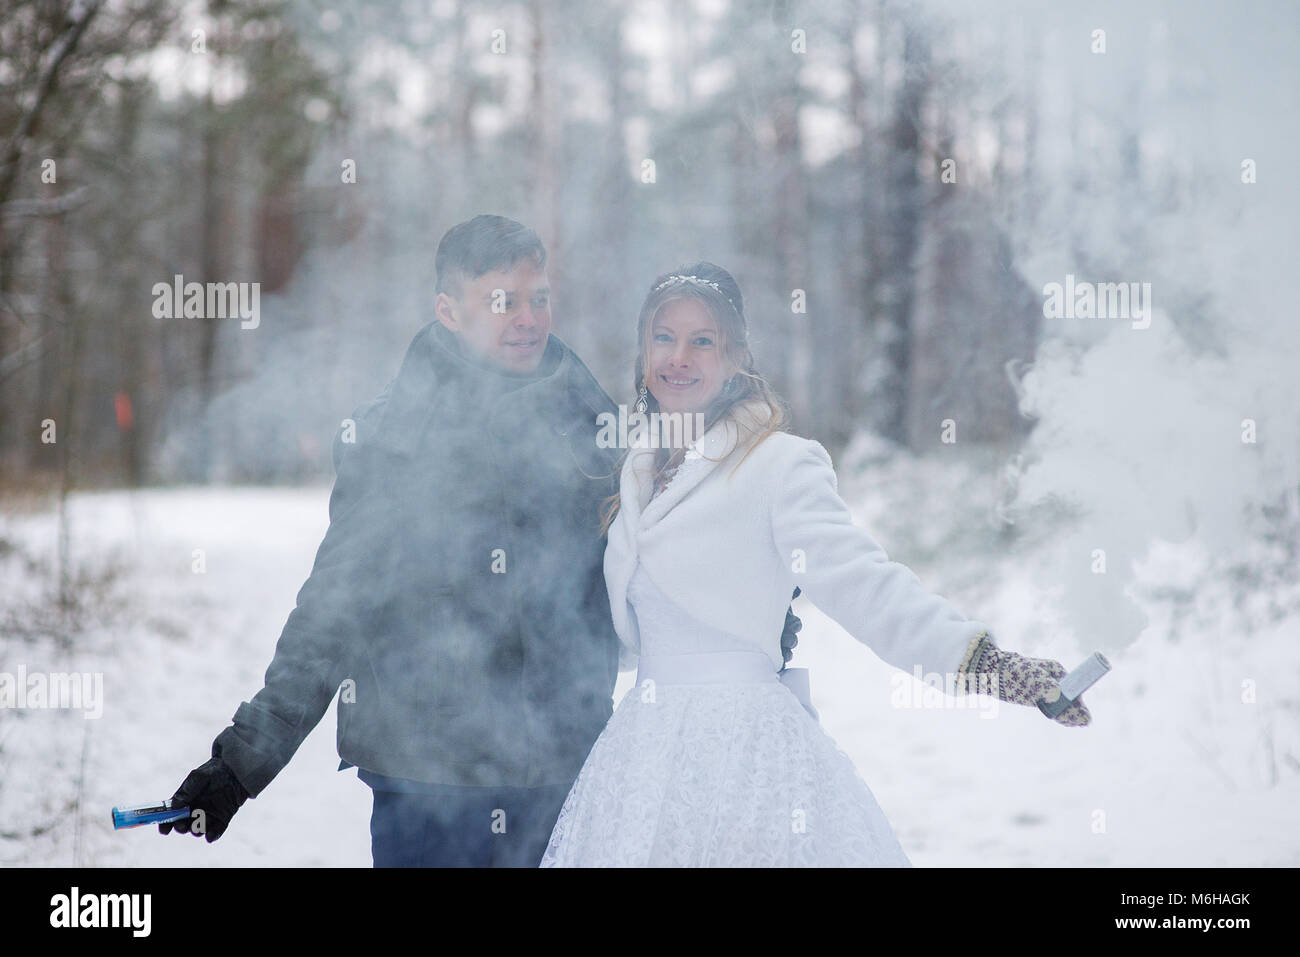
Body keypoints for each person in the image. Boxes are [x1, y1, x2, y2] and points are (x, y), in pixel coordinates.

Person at [540, 262, 1091, 867]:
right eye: (664, 337)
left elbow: (863, 583)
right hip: (641, 760)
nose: (680, 357)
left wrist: (985, 665)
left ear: (737, 359)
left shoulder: (778, 465)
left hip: (745, 755)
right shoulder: (633, 472)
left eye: (704, 341)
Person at [162, 216, 623, 865]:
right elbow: (332, 610)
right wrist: (240, 764)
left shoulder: (595, 432)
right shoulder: (393, 441)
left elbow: (644, 567)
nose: (527, 318)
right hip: (425, 785)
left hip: (559, 778)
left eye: (537, 298)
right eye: (502, 301)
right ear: (449, 311)